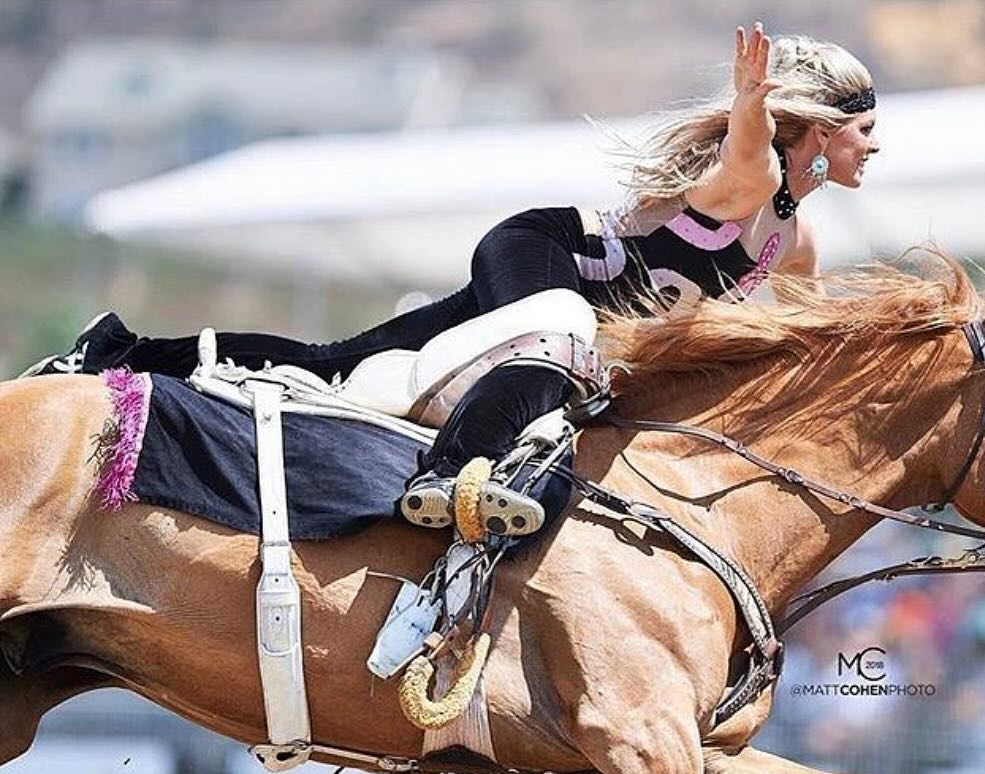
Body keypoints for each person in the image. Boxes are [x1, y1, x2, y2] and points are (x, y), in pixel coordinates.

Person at [24, 23, 880, 535]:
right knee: (564, 345)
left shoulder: (794, 242)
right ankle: (450, 474)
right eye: (865, 130)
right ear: (821, 129)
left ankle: (119, 354)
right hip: (541, 256)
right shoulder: (753, 181)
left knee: (335, 364)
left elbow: (795, 340)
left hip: (555, 317)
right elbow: (743, 149)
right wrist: (751, 104)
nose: (873, 148)